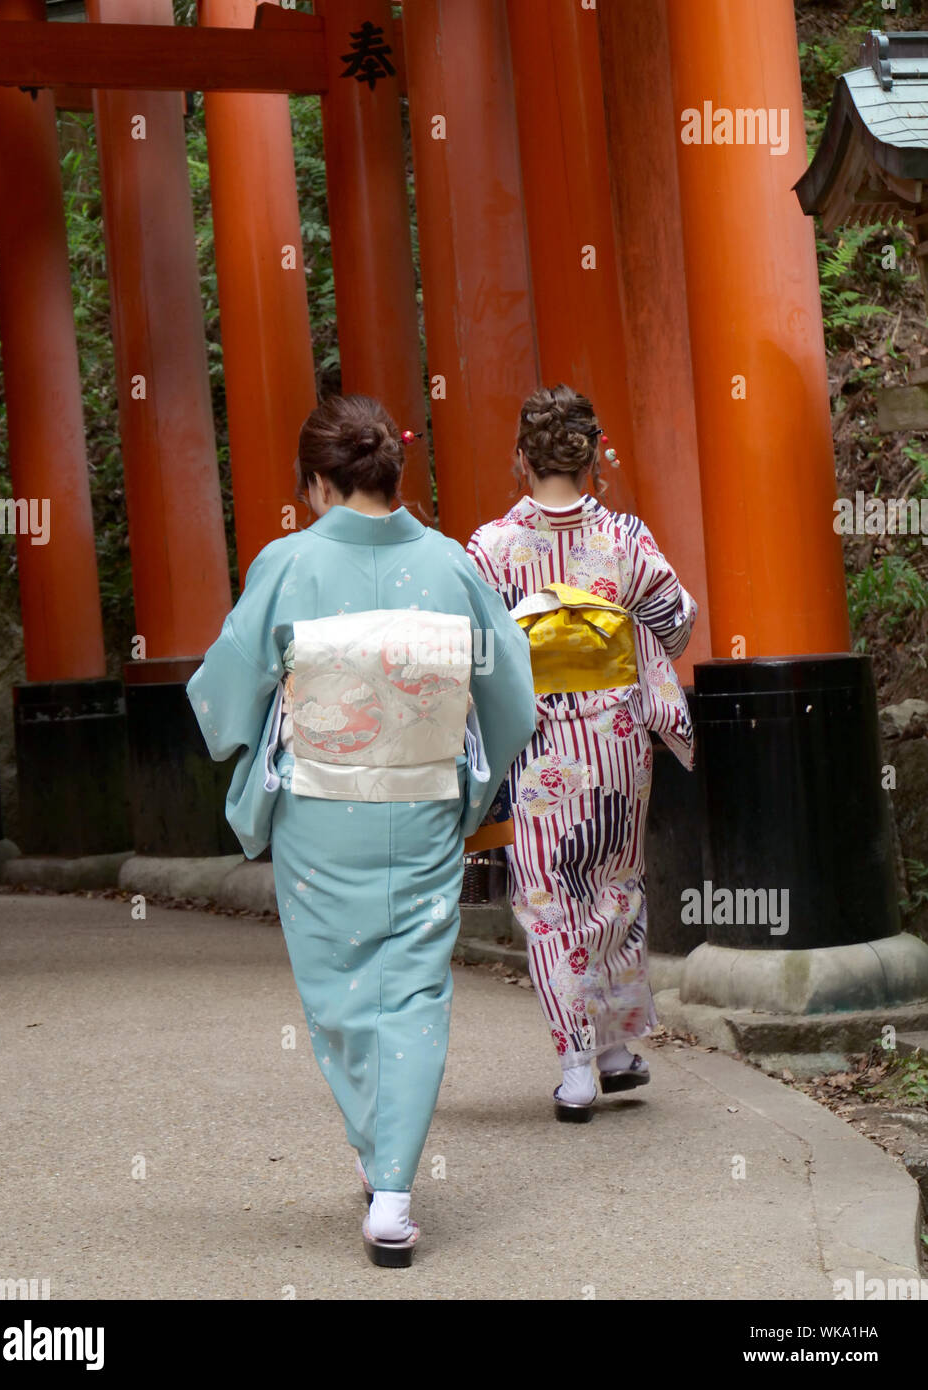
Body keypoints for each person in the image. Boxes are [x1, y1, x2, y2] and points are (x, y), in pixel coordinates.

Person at [187, 394, 535, 1264]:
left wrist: (241, 725)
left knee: (340, 989)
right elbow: (512, 698)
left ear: (317, 480)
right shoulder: (453, 567)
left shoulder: (287, 564)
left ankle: (378, 1160)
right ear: (392, 471)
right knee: (414, 985)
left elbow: (228, 689)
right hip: (418, 802)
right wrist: (468, 783)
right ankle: (393, 1187)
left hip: (320, 807)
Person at [467, 384, 697, 1121]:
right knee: (615, 886)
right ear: (592, 455)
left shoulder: (492, 548)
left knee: (546, 897)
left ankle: (574, 1063)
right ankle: (617, 1047)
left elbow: (474, 652)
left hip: (536, 742)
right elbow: (676, 623)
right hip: (617, 740)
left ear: (519, 459)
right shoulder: (626, 539)